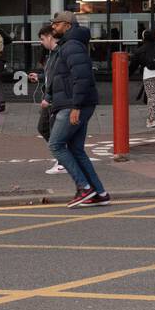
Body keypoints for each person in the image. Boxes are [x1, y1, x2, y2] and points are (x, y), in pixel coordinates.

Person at [46, 11, 110, 207]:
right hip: (74, 103)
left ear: (66, 24)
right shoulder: (69, 45)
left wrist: (76, 107)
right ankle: (99, 192)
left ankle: (85, 188)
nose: (53, 28)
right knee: (76, 149)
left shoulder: (72, 46)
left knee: (55, 144)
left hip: (73, 104)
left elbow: (82, 77)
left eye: (55, 24)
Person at [27, 24, 66, 174]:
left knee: (51, 129)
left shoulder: (59, 53)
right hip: (51, 97)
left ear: (50, 37)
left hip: (55, 99)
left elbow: (58, 78)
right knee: (44, 127)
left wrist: (48, 98)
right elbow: (51, 76)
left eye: (43, 39)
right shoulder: (52, 54)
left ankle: (63, 160)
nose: (42, 42)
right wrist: (40, 77)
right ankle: (62, 156)